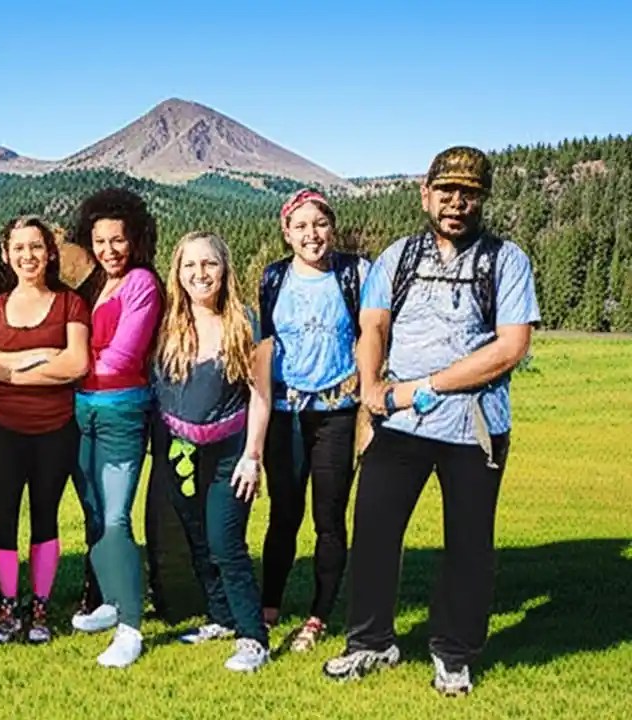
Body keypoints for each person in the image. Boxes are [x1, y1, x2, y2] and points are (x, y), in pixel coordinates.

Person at [323, 147, 539, 696]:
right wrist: (372, 391)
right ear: (426, 194)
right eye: (446, 192)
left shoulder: (506, 260)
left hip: (474, 426)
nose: (456, 203)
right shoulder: (398, 256)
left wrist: (425, 387)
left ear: (483, 199)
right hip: (397, 424)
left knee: (469, 544)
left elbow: (511, 347)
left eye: (468, 193)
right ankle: (370, 643)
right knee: (373, 533)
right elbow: (373, 327)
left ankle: (454, 654)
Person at [149, 232, 271, 672]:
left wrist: (252, 456)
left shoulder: (245, 323)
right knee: (198, 538)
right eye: (190, 266)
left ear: (225, 269)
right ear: (177, 273)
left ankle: (253, 636)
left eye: (210, 264)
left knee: (226, 543)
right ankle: (220, 617)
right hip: (179, 450)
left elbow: (260, 395)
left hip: (230, 451)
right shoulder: (166, 325)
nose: (200, 274)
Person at [257, 189, 370, 651]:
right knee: (284, 515)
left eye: (319, 224)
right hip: (286, 413)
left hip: (337, 413)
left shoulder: (354, 273)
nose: (311, 235)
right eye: (300, 226)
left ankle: (319, 615)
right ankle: (268, 607)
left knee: (329, 517)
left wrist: (368, 409)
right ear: (287, 232)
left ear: (332, 227)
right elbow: (264, 346)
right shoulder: (273, 277)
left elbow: (374, 337)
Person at [0, 216, 90, 647]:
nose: (28, 256)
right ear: (6, 254)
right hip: (3, 430)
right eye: (19, 248)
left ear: (49, 252)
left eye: (36, 247)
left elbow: (76, 364)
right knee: (1, 519)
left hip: (55, 429)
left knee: (45, 515)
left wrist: (14, 370)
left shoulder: (70, 304)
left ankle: (39, 606)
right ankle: (8, 606)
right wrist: (42, 357)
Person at [67, 189, 163, 668]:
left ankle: (131, 629)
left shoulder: (142, 283)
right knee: (94, 511)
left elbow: (124, 357)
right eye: (100, 241)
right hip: (84, 410)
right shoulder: (96, 286)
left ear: (135, 240)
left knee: (116, 515)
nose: (109, 250)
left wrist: (61, 367)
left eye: (118, 240)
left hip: (122, 410)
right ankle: (112, 599)